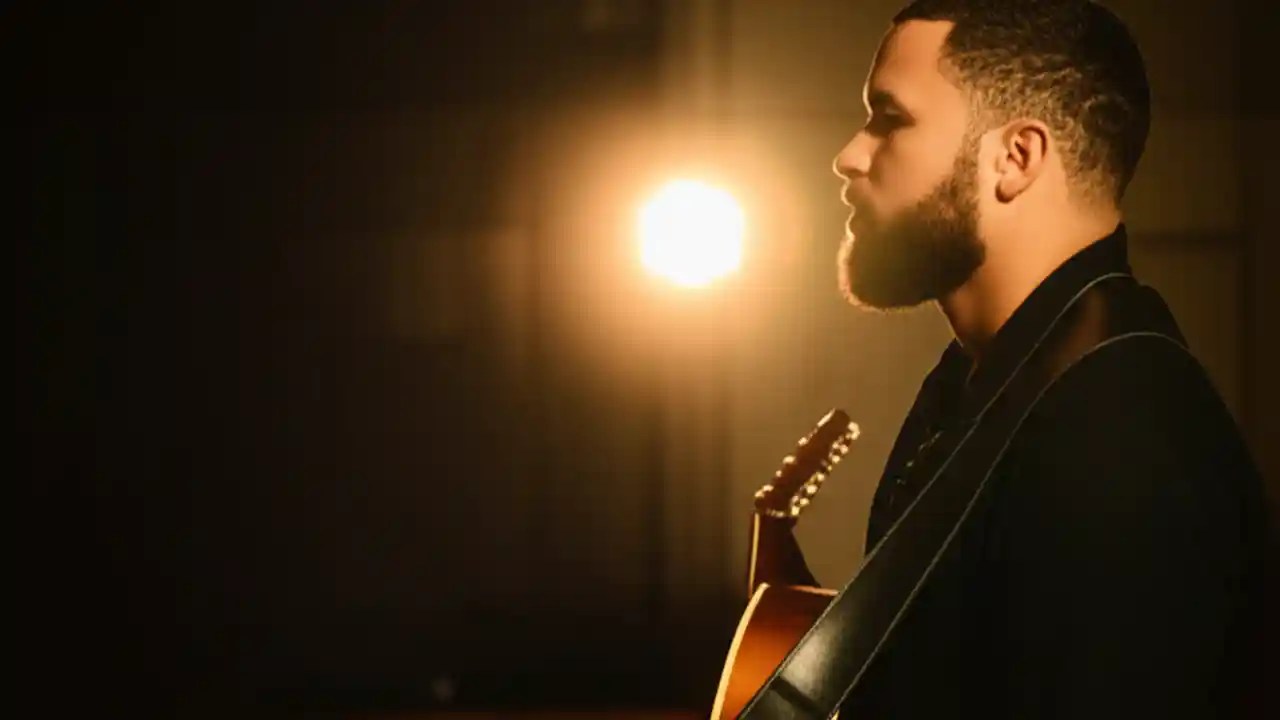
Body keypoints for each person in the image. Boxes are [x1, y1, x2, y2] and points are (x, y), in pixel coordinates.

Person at [823, 0, 1269, 717]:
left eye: (891, 117)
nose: (849, 154)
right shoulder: (982, 388)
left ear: (1017, 158)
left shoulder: (1119, 430)